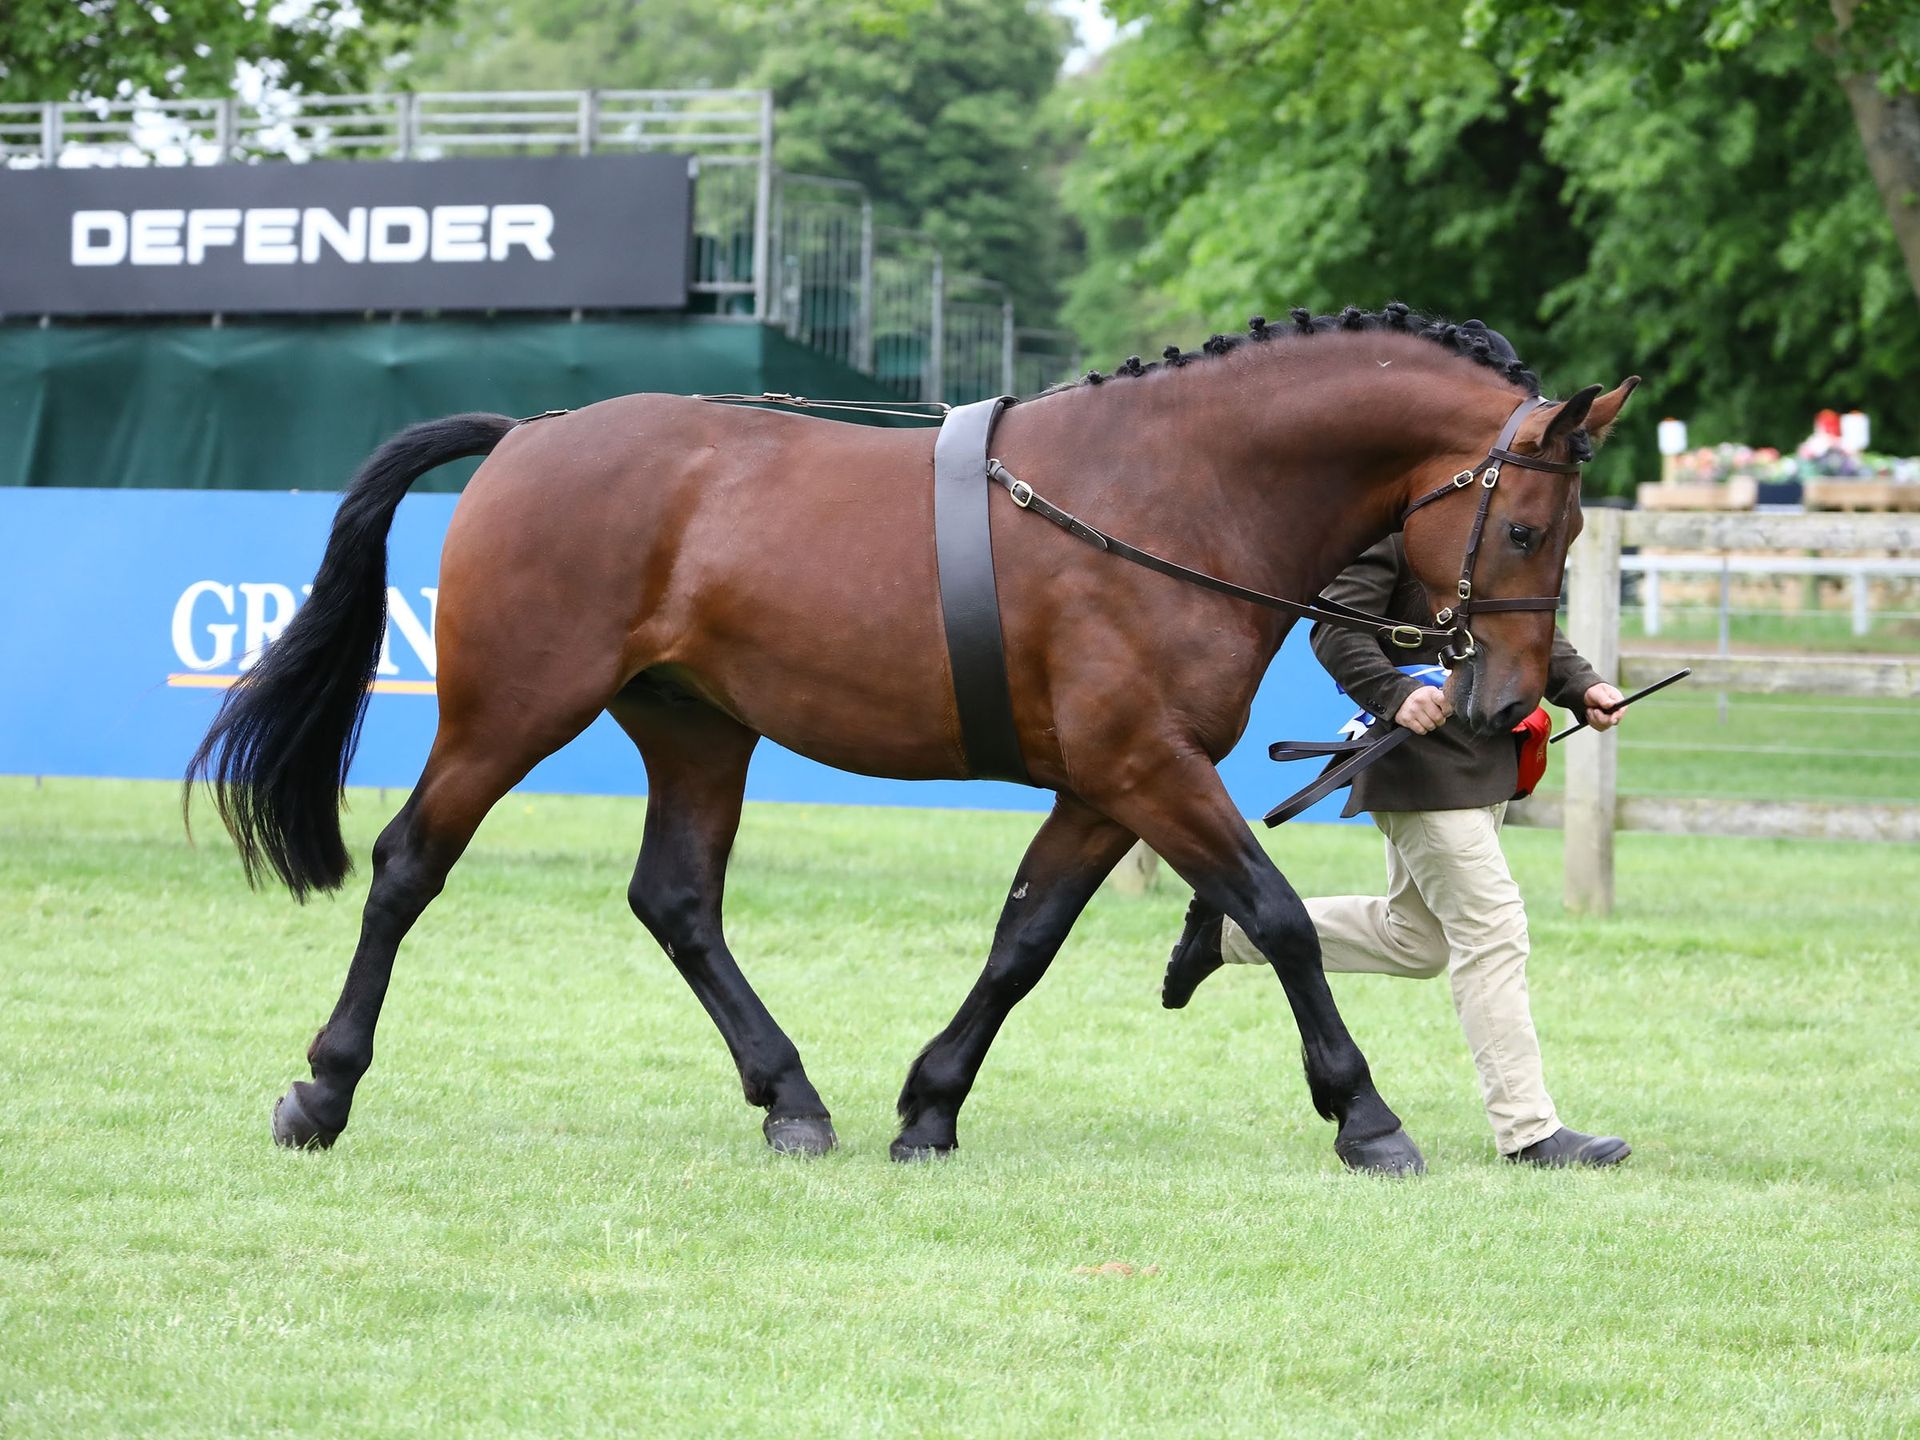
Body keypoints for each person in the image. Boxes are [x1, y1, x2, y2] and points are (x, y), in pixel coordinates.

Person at [1160, 533, 1634, 1167]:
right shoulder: (1395, 528)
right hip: (1421, 764)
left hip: (1484, 760)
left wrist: (1583, 686)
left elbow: (1521, 626)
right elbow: (1334, 631)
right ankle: (1529, 1133)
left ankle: (1228, 934)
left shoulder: (1492, 521)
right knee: (1492, 931)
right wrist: (1394, 693)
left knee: (1416, 940)